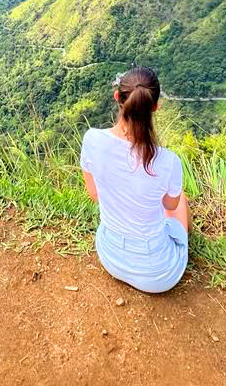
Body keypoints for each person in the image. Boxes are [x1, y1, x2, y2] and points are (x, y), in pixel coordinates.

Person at [79, 66, 189, 294]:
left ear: (117, 97)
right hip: (159, 275)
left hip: (110, 256)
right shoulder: (168, 161)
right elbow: (170, 206)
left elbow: (95, 195)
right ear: (155, 107)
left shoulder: (92, 139)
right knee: (180, 199)